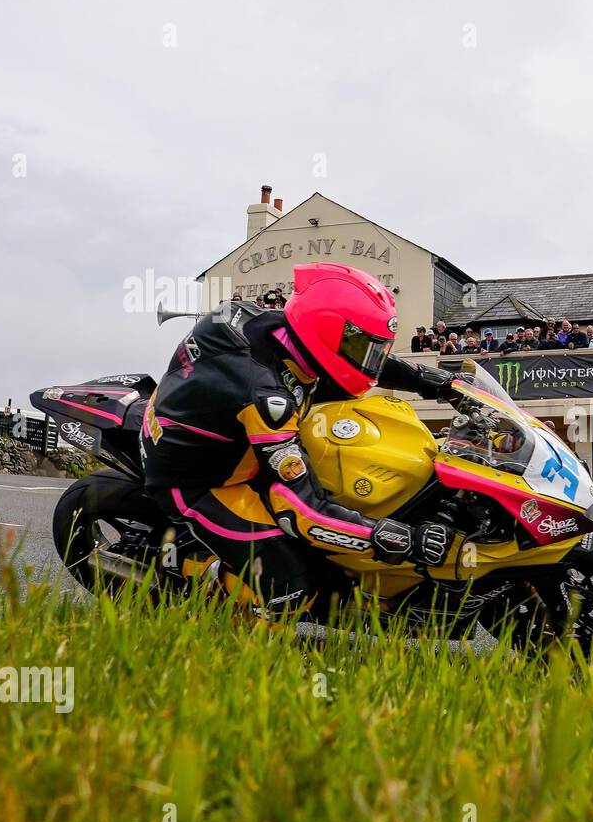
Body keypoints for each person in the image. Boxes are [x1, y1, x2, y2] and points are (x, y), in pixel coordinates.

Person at [140, 262, 460, 619]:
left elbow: (368, 362)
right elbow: (304, 511)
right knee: (294, 587)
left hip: (218, 431)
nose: (372, 359)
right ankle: (225, 620)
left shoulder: (280, 328)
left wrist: (441, 383)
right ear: (325, 332)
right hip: (203, 481)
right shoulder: (266, 398)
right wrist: (391, 537)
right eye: (364, 346)